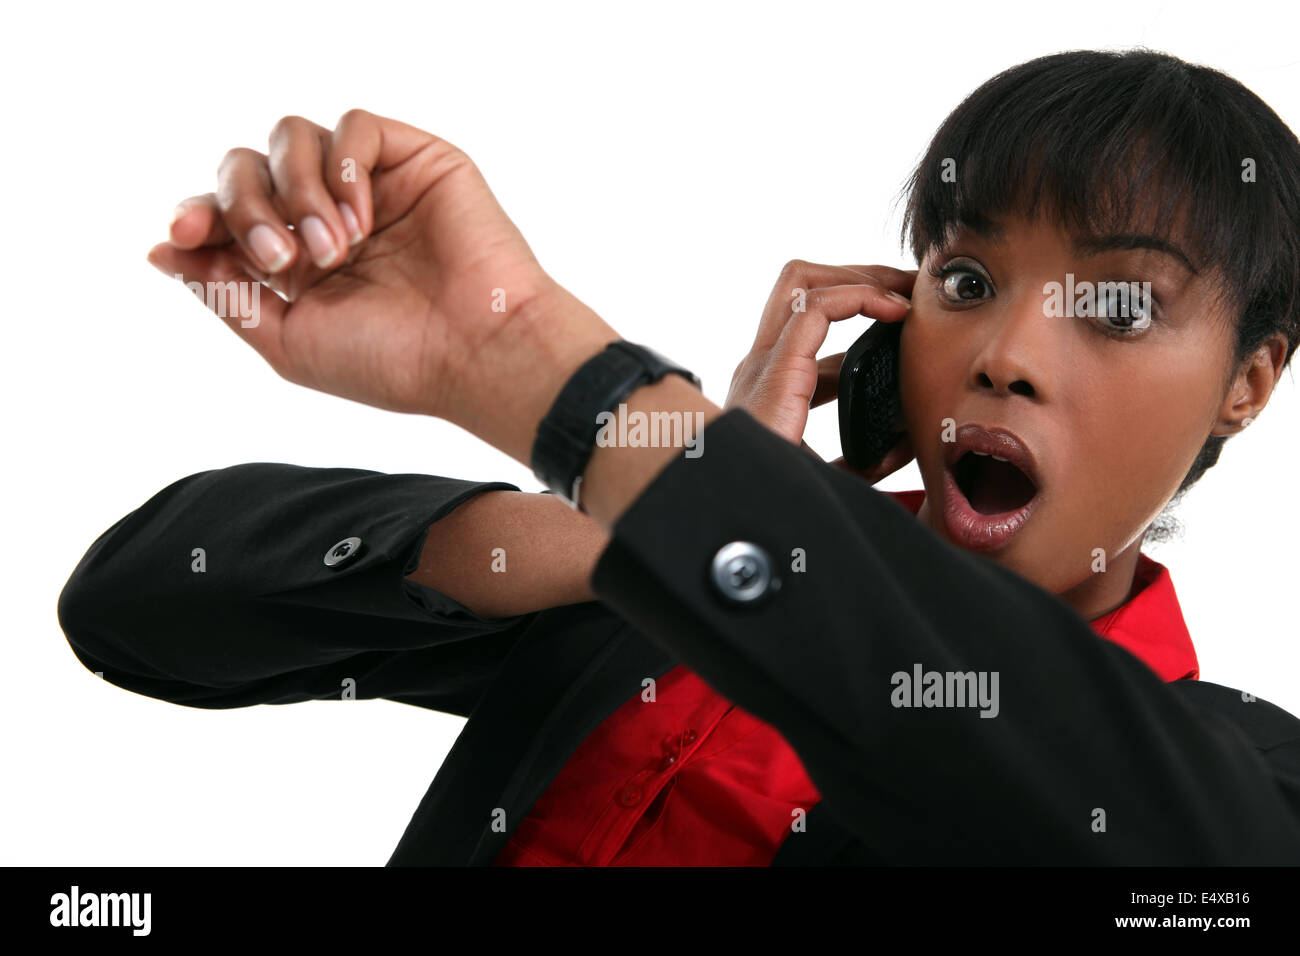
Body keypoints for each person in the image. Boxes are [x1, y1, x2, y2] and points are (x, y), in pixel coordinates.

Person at [58, 48, 1300, 864]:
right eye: (966, 280)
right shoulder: (658, 601)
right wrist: (656, 530)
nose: (1007, 351)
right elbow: (139, 601)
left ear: (1249, 380)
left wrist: (557, 373)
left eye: (1121, 304)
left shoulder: (1243, 781)